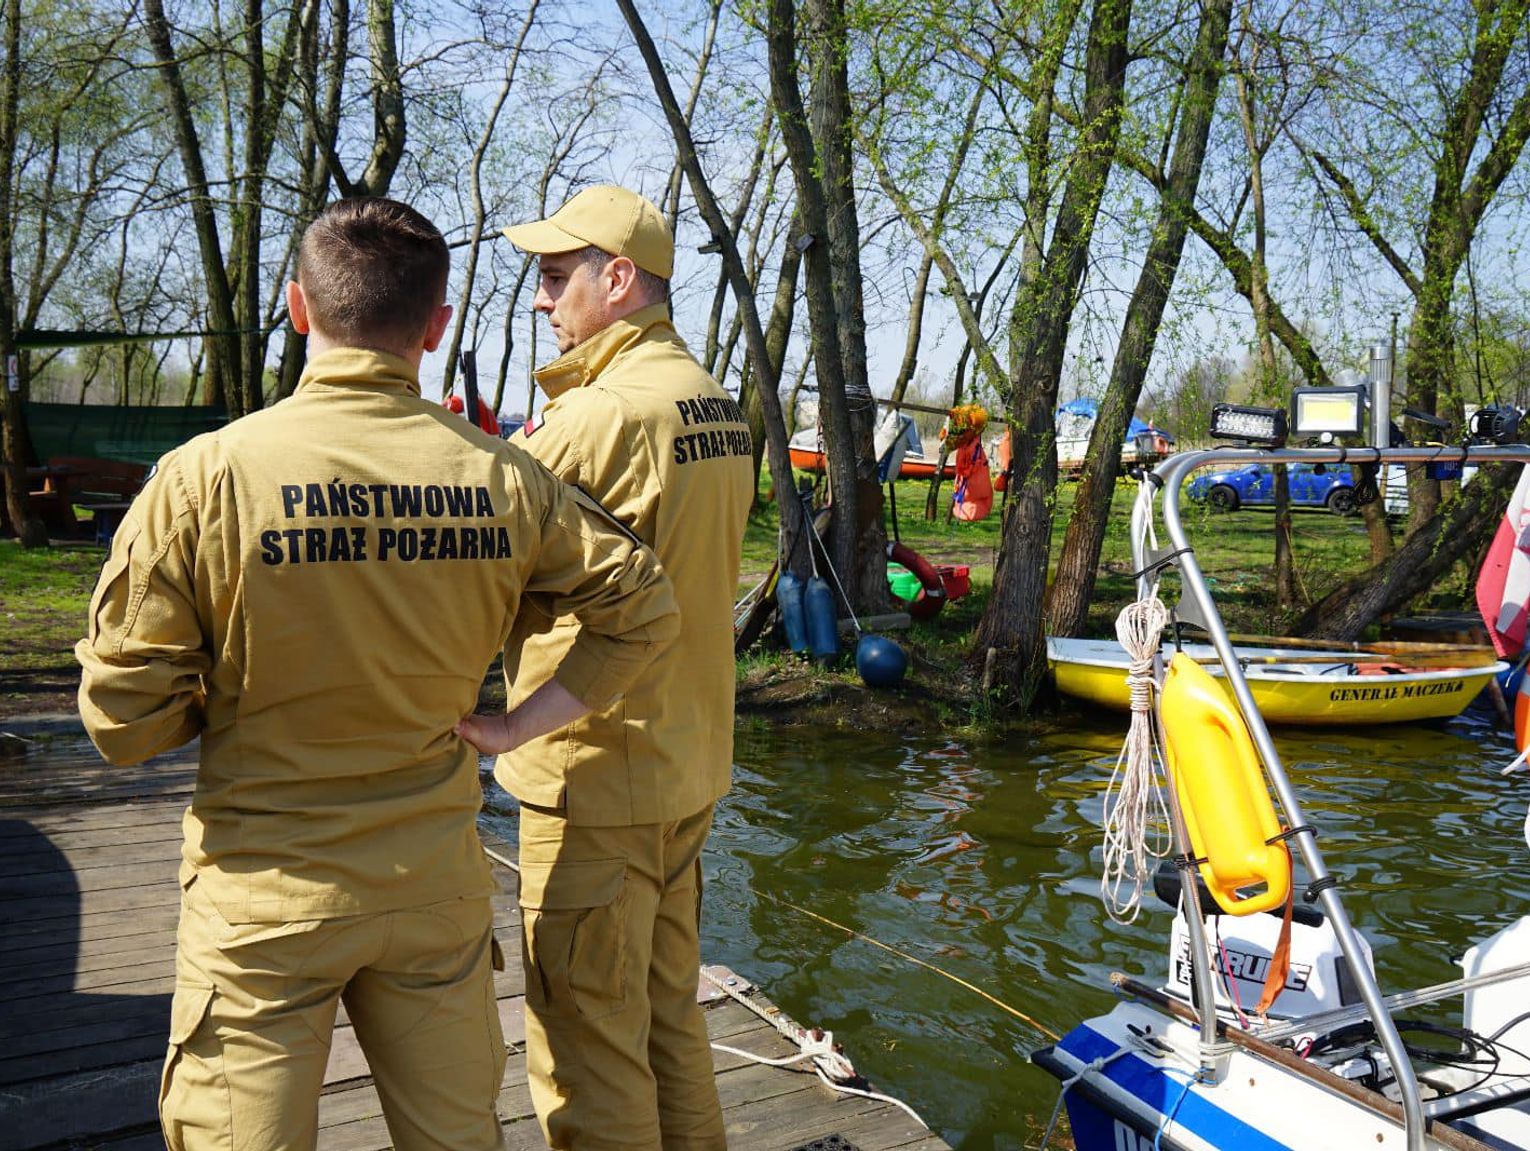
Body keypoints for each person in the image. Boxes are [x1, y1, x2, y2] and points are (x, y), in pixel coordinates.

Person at [75, 196, 681, 1151]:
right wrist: (512, 728)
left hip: (263, 903)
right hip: (431, 890)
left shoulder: (204, 477)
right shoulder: (506, 477)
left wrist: (223, 701)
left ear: (297, 308)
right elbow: (644, 609)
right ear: (436, 327)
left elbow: (121, 727)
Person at [457, 184, 753, 1150]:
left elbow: (478, 575)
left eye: (555, 277)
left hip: (593, 770)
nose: (542, 299)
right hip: (687, 766)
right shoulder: (717, 404)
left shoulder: (594, 418)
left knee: (587, 1045)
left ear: (617, 278)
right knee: (669, 1019)